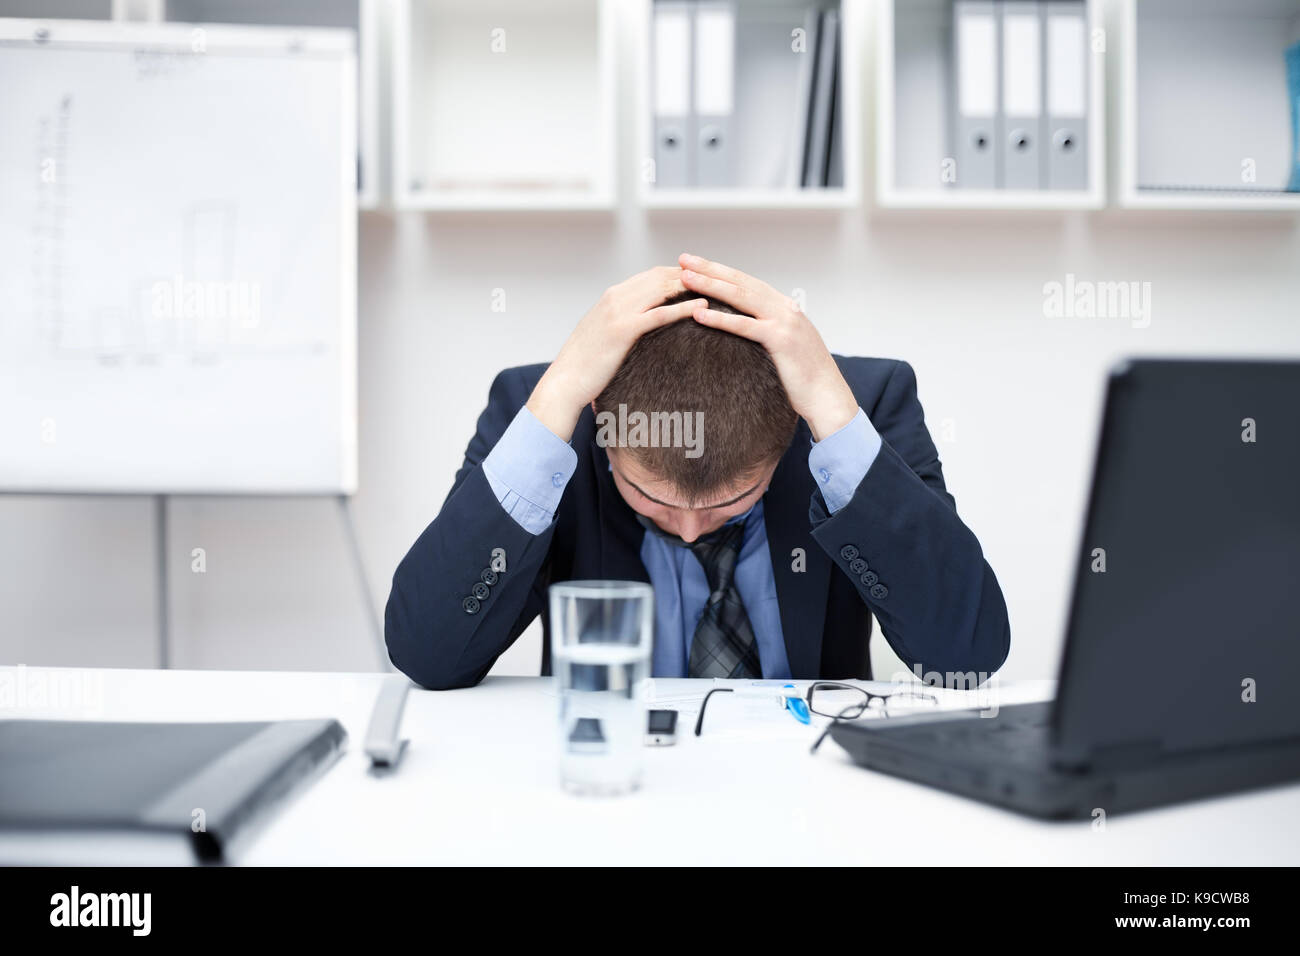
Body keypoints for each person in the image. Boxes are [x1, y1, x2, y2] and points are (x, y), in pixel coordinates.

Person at [385, 254, 1010, 689]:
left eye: (729, 502)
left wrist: (833, 415)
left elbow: (965, 655)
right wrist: (561, 396)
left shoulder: (853, 407)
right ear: (602, 424)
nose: (688, 530)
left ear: (790, 427)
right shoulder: (551, 412)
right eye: (646, 495)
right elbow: (429, 654)